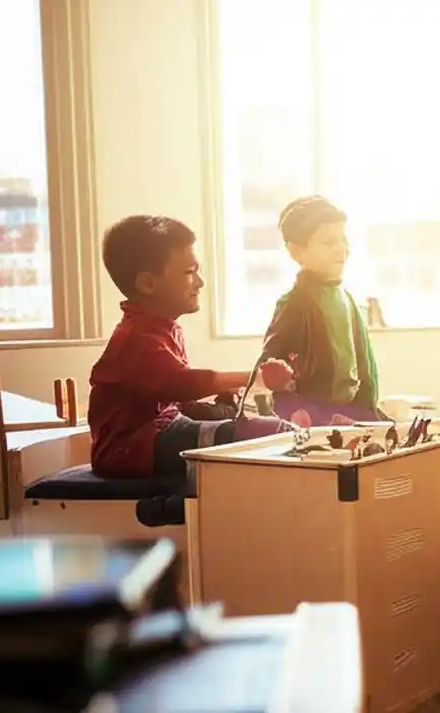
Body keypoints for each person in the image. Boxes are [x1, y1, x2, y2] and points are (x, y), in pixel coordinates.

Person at [88, 216, 293, 520]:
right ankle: (172, 506)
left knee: (264, 428)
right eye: (189, 272)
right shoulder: (135, 337)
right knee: (268, 434)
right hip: (131, 448)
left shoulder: (162, 328)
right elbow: (179, 382)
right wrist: (257, 377)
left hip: (159, 434)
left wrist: (221, 404)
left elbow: (176, 399)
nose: (200, 282)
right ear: (147, 283)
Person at [258, 195, 382, 425]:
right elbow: (272, 368)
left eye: (342, 239)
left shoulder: (347, 299)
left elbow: (363, 366)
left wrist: (369, 411)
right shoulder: (294, 305)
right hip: (316, 418)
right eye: (327, 242)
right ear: (296, 252)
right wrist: (293, 409)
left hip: (353, 414)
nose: (340, 249)